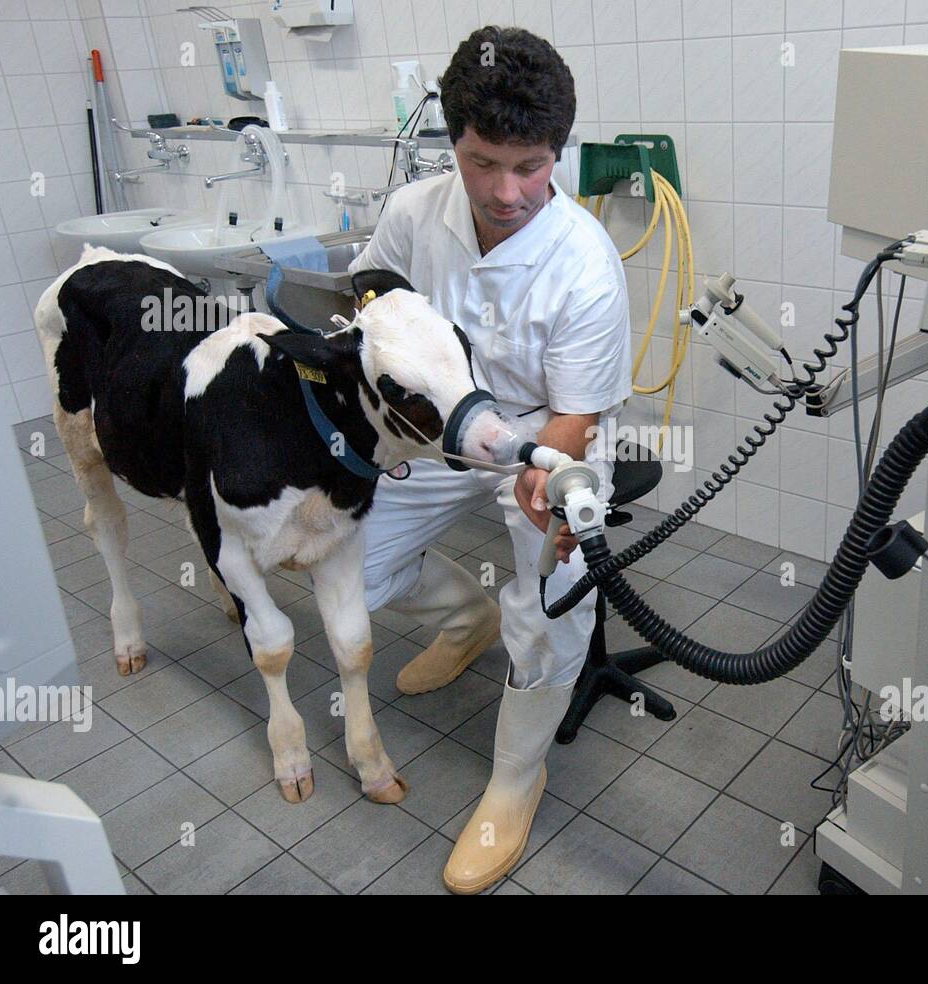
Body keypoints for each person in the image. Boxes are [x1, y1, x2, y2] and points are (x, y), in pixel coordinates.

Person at [347, 25, 630, 894]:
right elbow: (370, 301)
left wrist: (548, 477)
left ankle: (515, 783)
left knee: (548, 614)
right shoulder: (411, 213)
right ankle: (466, 617)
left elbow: (577, 411)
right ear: (453, 146)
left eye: (530, 165)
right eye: (480, 163)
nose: (505, 191)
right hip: (435, 433)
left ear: (559, 153)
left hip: (547, 439)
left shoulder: (585, 264)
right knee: (345, 571)